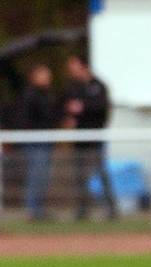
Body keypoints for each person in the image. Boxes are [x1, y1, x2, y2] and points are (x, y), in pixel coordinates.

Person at [63, 54, 117, 221]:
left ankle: (111, 209)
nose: (72, 71)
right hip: (79, 138)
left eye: (74, 67)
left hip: (95, 137)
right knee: (80, 175)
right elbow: (63, 106)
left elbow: (102, 108)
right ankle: (82, 210)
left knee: (101, 172)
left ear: (84, 67)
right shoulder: (72, 87)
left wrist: (82, 108)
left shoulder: (98, 85)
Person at [16, 64, 60, 221]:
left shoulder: (46, 94)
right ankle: (33, 210)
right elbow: (25, 119)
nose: (48, 78)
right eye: (44, 75)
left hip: (45, 140)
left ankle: (38, 209)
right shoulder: (30, 95)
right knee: (36, 175)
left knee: (42, 176)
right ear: (34, 76)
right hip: (36, 141)